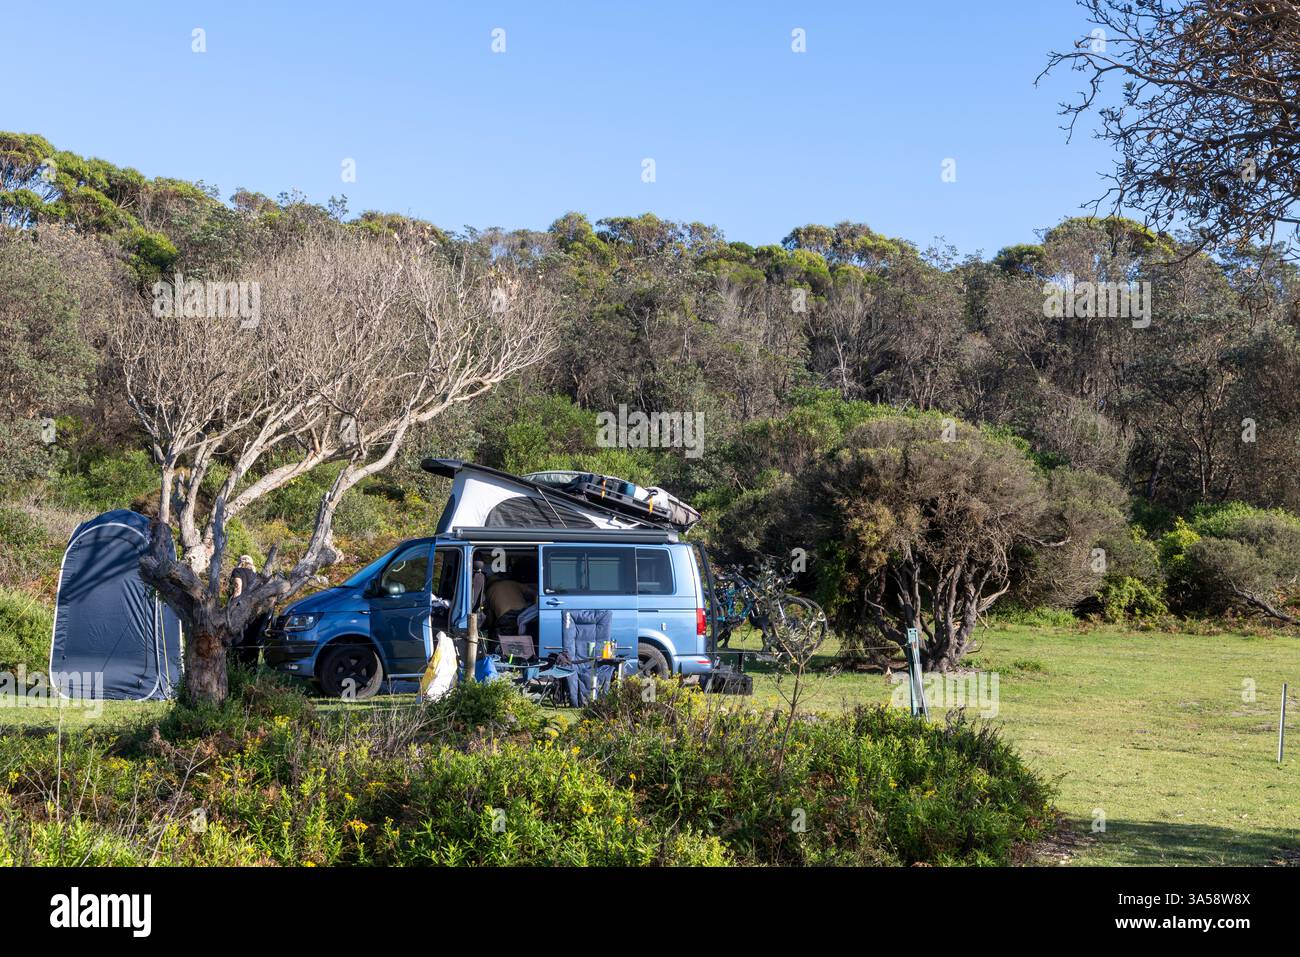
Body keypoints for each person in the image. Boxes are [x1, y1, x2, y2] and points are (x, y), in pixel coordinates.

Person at [228, 555, 262, 669]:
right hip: (254, 611)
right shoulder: (256, 576)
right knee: (250, 640)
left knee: (237, 639)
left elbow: (238, 588)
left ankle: (235, 668)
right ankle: (250, 669)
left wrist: (232, 606)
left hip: (240, 608)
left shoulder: (237, 571)